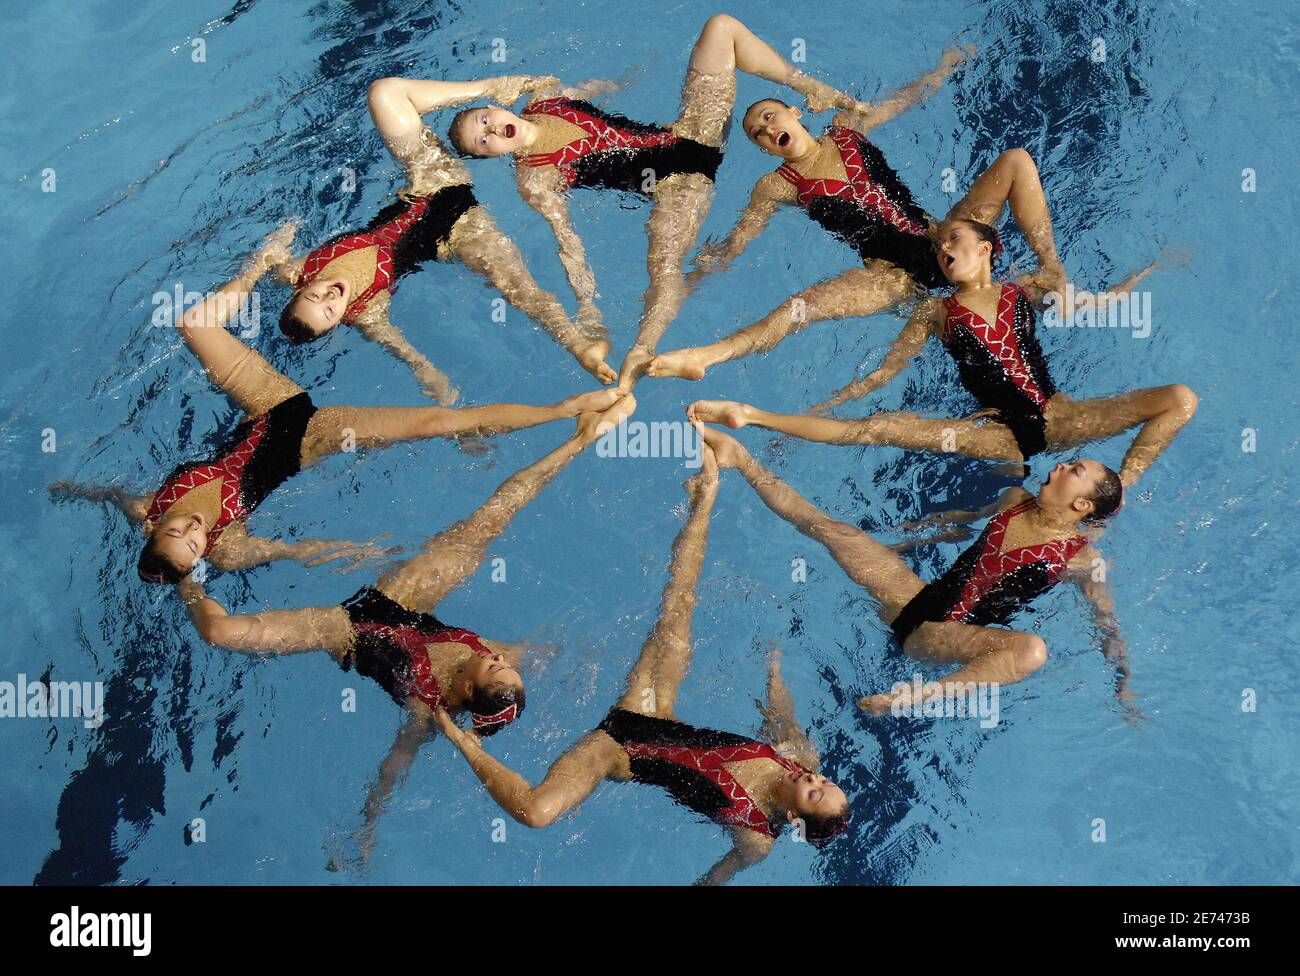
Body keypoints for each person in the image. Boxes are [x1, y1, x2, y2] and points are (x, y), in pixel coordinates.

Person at [179, 393, 636, 859]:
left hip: (348, 633)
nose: (499, 658)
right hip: (404, 601)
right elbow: (550, 649)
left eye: (495, 670)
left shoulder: (427, 708)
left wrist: (368, 826)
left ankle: (183, 577)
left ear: (466, 692)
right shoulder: (496, 654)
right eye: (506, 666)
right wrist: (581, 659)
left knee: (223, 633)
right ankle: (580, 438)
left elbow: (394, 767)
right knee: (493, 516)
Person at [50, 227, 621, 584]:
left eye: (179, 532)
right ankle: (566, 408)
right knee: (441, 422)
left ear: (155, 530)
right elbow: (291, 549)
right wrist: (354, 553)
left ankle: (259, 261)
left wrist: (76, 489)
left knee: (192, 322)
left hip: (271, 405)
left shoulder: (148, 506)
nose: (197, 527)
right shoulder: (225, 549)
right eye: (196, 542)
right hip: (308, 438)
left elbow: (113, 495)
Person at [433, 437, 850, 884]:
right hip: (651, 706)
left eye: (813, 793)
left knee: (537, 813)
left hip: (615, 753)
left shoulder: (755, 837)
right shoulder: (799, 760)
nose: (815, 780)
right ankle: (704, 498)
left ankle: (466, 744)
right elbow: (782, 718)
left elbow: (720, 875)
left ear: (792, 816)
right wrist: (774, 672)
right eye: (824, 783)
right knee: (679, 605)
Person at [446, 14, 858, 388]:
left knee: (721, 27)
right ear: (492, 157)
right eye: (484, 144)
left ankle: (812, 87)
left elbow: (599, 91)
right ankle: (644, 348)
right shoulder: (536, 176)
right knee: (663, 269)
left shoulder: (547, 99)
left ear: (496, 107)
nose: (495, 133)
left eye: (486, 121)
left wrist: (630, 76)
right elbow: (566, 238)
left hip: (693, 132)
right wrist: (587, 307)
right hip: (677, 186)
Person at [686, 208, 1196, 485]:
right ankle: (751, 416)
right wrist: (832, 403)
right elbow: (884, 373)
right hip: (996, 434)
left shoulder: (1024, 291)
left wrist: (1146, 274)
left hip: (1060, 419)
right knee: (877, 428)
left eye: (953, 239)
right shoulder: (935, 313)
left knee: (1179, 398)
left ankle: (1117, 494)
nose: (944, 250)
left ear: (986, 249)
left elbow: (1091, 307)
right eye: (939, 247)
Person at [691, 420, 1136, 715]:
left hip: (943, 637)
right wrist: (913, 538)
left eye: (1074, 469)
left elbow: (1105, 620)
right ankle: (740, 458)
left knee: (1032, 651)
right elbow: (961, 526)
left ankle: (915, 698)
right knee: (834, 531)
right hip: (913, 600)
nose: (1060, 464)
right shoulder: (1013, 502)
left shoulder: (1080, 560)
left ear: (1081, 504)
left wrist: (1123, 680)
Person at [646, 45, 976, 382]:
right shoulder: (776, 185)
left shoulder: (847, 128)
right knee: (797, 309)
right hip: (894, 278)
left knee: (1008, 170)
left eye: (769, 116)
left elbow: (903, 100)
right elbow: (743, 235)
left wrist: (945, 66)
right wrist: (696, 274)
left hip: (943, 237)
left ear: (795, 112)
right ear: (764, 148)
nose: (767, 129)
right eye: (758, 133)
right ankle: (706, 356)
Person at [271, 74, 608, 399]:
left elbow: (270, 259)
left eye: (315, 297)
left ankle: (492, 86)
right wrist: (432, 378)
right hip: (459, 232)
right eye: (330, 311)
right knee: (523, 292)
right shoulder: (366, 311)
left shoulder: (297, 269)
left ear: (303, 287)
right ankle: (580, 348)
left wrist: (274, 246)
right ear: (339, 321)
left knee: (384, 92)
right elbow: (406, 352)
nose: (330, 297)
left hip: (431, 184)